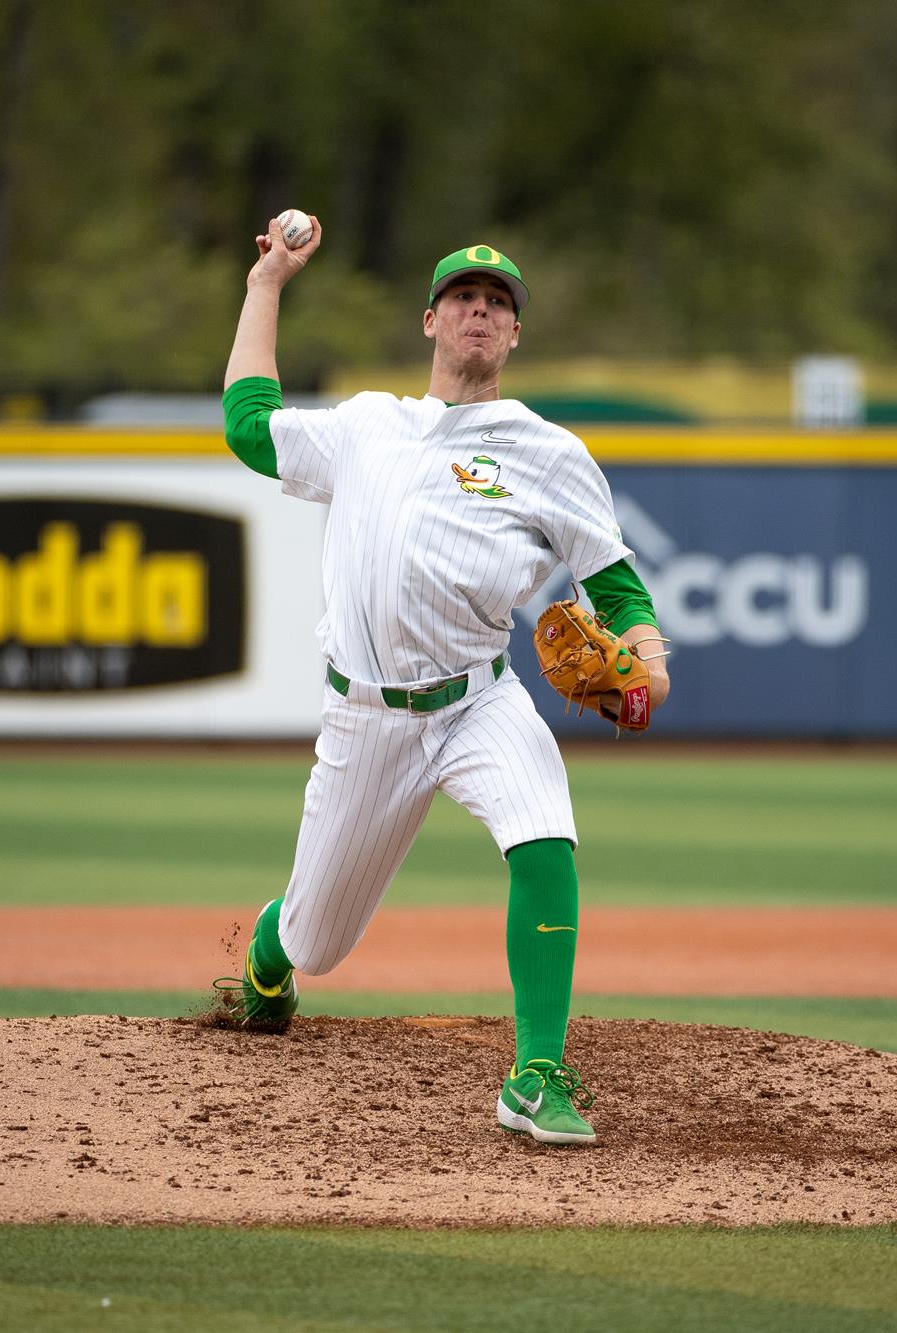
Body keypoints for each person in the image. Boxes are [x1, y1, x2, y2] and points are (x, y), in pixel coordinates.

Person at [215, 214, 670, 1146]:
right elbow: (248, 426)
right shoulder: (367, 426)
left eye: (497, 303)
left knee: (545, 830)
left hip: (477, 699)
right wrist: (266, 286)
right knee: (318, 942)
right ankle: (270, 954)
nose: (479, 310)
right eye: (463, 296)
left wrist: (650, 661)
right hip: (365, 720)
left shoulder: (547, 451)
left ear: (514, 336)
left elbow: (614, 580)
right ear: (430, 320)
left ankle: (536, 1073)